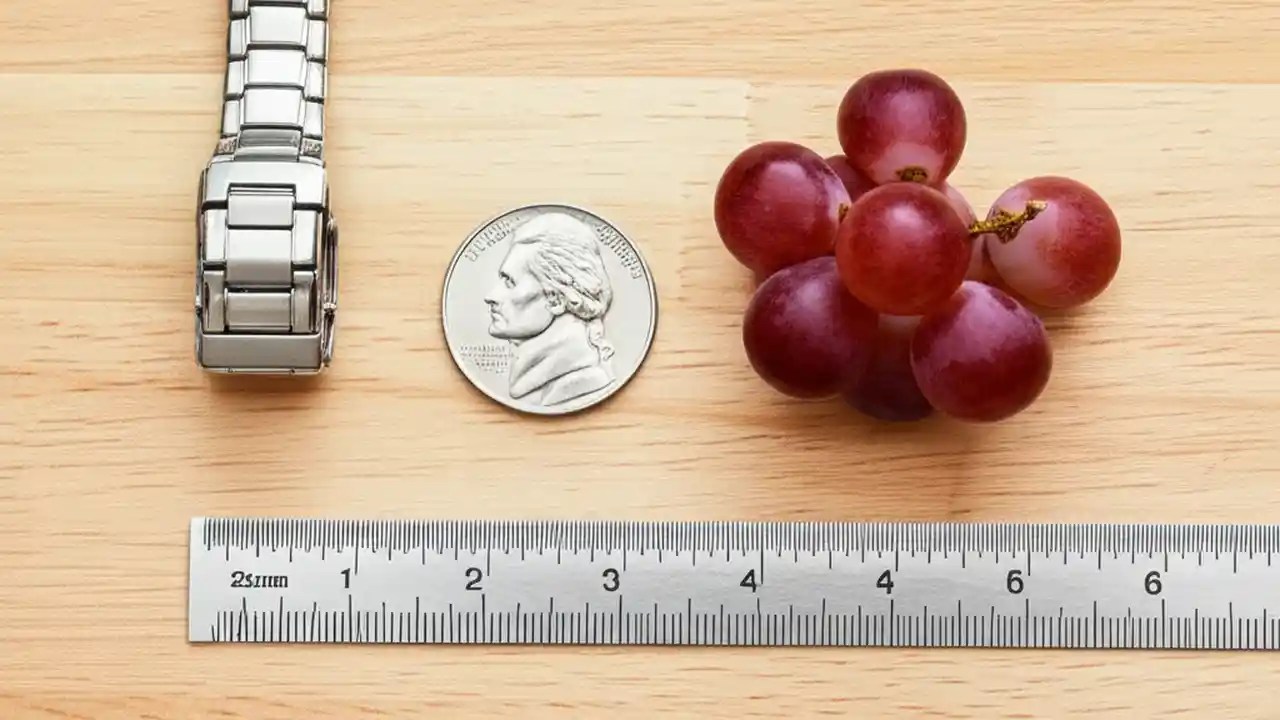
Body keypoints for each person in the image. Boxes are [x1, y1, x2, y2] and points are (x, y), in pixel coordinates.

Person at [483, 212, 616, 407]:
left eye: (510, 282)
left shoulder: (578, 384)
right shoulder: (539, 383)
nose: (491, 296)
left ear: (555, 299)